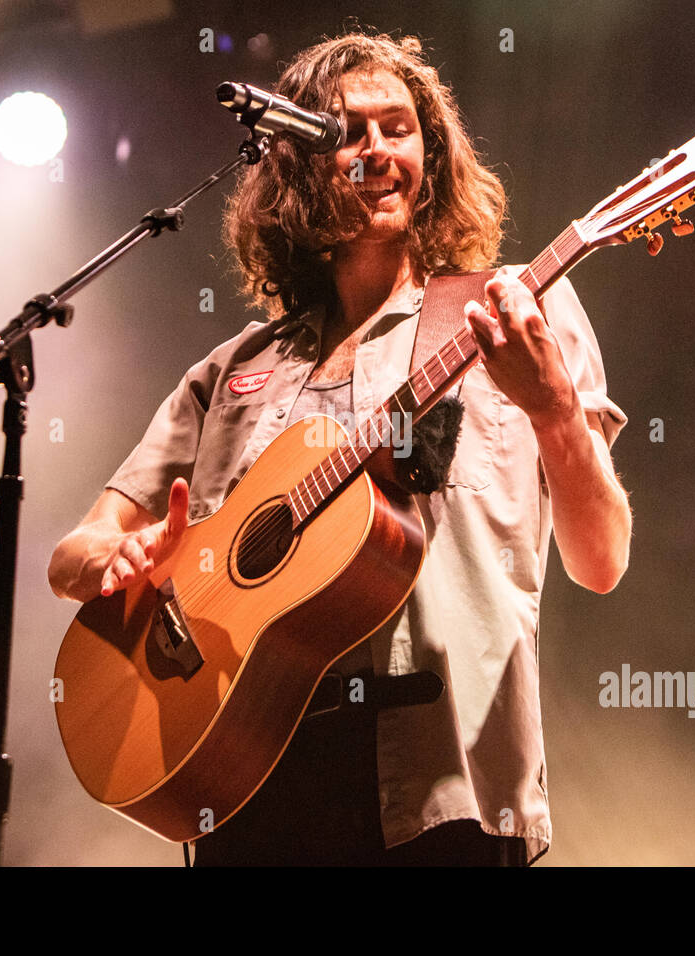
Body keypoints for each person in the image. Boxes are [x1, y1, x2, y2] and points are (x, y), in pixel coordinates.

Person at [47, 31, 631, 866]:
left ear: (432, 156)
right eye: (346, 133)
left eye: (398, 128)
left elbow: (601, 558)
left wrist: (552, 410)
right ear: (295, 165)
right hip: (243, 773)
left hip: (445, 787)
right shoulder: (233, 370)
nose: (376, 151)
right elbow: (72, 556)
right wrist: (120, 559)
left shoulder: (513, 317)